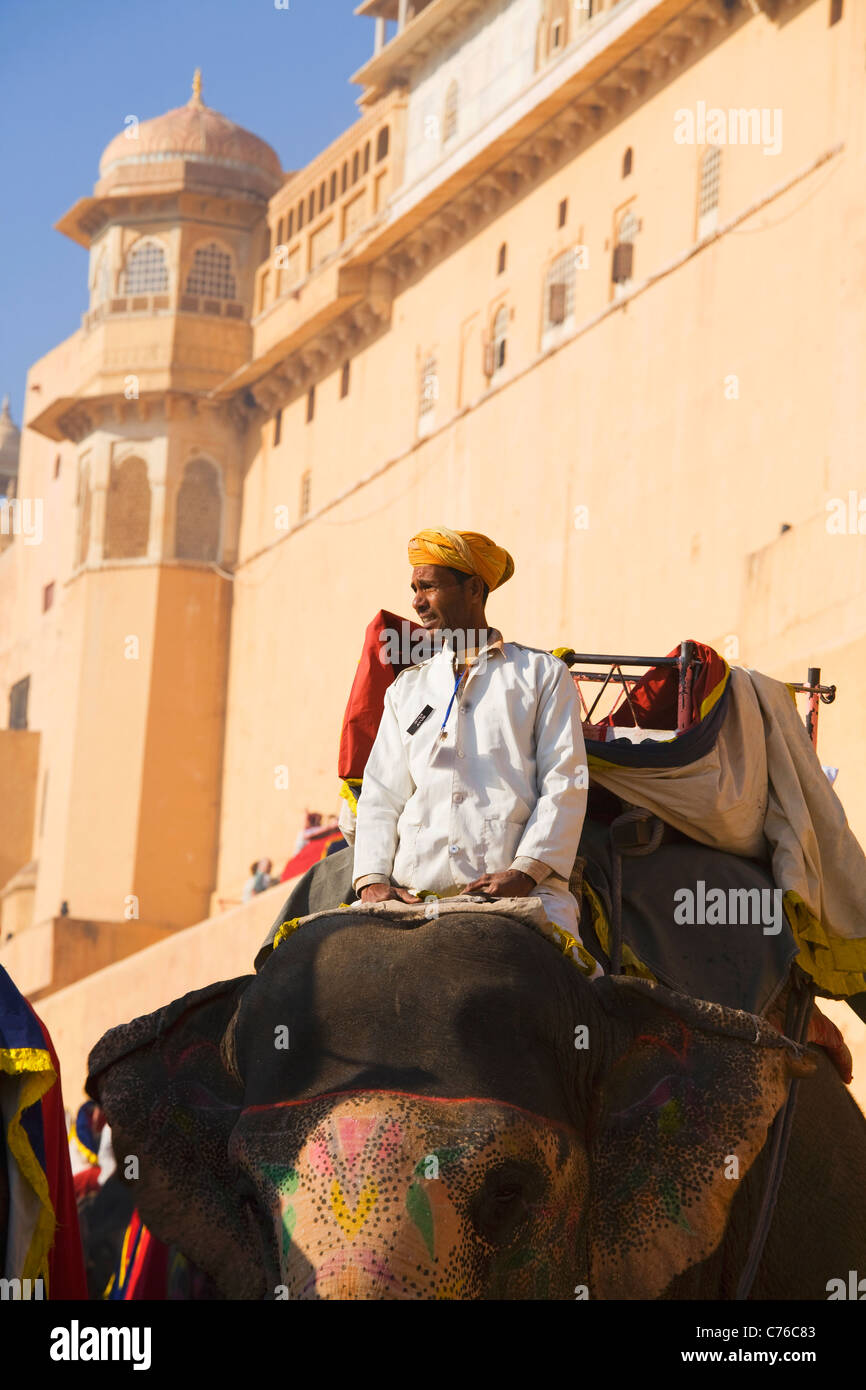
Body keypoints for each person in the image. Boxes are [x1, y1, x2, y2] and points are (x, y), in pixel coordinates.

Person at [352, 526, 590, 949]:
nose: (416, 601)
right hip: (410, 899)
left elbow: (565, 781)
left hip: (523, 898)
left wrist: (524, 873)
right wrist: (372, 881)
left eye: (428, 587)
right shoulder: (406, 690)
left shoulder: (541, 675)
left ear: (474, 589)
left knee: (571, 991)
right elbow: (381, 795)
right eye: (413, 589)